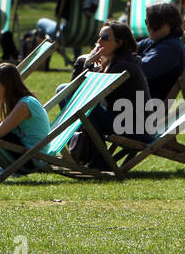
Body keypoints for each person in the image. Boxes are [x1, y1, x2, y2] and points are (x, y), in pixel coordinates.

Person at [65, 20, 151, 167]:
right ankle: (89, 155)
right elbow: (74, 91)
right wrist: (83, 64)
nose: (98, 42)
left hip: (134, 128)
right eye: (99, 37)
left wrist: (87, 66)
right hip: (119, 120)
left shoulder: (124, 66)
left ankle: (99, 161)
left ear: (119, 43)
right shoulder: (110, 63)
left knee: (85, 107)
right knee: (64, 90)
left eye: (104, 38)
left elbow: (91, 94)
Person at [136, 1, 185, 100]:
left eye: (155, 24)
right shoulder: (155, 41)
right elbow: (128, 48)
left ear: (170, 24)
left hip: (142, 108)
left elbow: (138, 70)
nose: (149, 27)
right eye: (147, 22)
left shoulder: (171, 49)